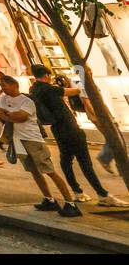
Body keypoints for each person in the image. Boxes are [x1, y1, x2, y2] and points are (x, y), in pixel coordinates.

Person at [29, 65, 127, 207]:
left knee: (66, 161)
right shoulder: (50, 89)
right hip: (71, 128)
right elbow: (75, 91)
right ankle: (103, 194)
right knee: (85, 163)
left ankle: (77, 191)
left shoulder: (34, 89)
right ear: (46, 75)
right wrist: (79, 82)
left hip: (57, 128)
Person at [0, 74, 81, 217]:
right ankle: (49, 199)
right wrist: (11, 115)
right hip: (18, 140)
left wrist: (8, 115)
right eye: (1, 86)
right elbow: (0, 114)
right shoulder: (4, 99)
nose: (3, 89)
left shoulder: (26, 101)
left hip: (33, 139)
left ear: (14, 85)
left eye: (4, 85)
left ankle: (70, 202)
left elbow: (21, 117)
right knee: (34, 170)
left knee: (49, 170)